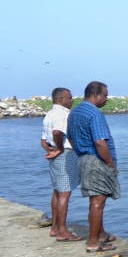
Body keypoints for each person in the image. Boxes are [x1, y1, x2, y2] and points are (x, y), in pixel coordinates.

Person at [66, 81, 120, 253]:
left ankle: (101, 234)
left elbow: (71, 139)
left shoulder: (74, 112)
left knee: (95, 199)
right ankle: (93, 242)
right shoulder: (95, 114)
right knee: (98, 201)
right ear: (96, 95)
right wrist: (110, 163)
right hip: (96, 160)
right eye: (105, 95)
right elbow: (100, 142)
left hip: (83, 158)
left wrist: (81, 153)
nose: (107, 99)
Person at [40, 87, 81, 241]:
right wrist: (60, 148)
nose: (72, 100)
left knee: (57, 191)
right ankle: (62, 231)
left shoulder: (49, 114)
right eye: (70, 97)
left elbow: (43, 140)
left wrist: (51, 149)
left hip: (55, 155)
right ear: (61, 99)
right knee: (64, 193)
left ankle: (55, 228)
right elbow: (57, 132)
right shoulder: (63, 114)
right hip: (65, 155)